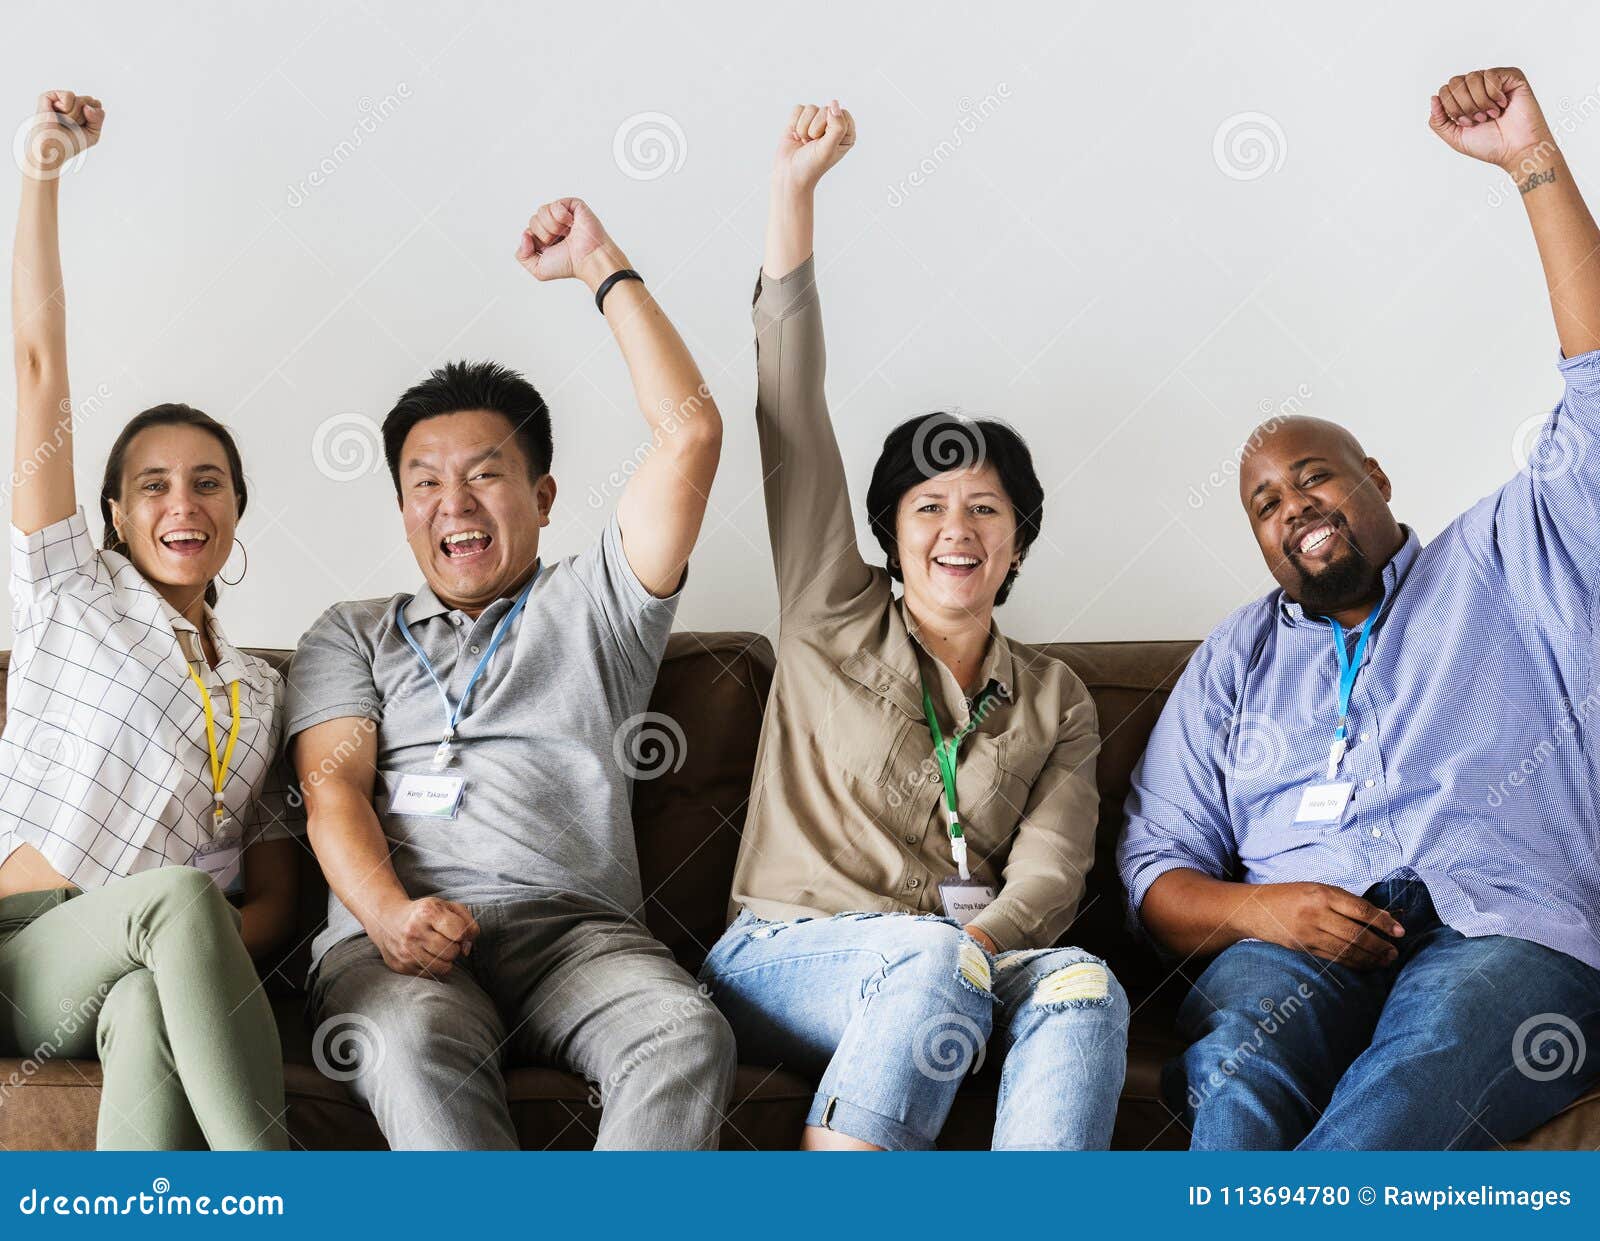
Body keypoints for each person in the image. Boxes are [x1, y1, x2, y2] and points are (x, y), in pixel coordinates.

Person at [1119, 66, 1600, 1150]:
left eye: (1316, 477)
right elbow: (1156, 868)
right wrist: (1261, 908)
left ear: (1374, 475)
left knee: (1397, 1104)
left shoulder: (1504, 557)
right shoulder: (1237, 655)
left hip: (1499, 931)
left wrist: (1532, 160)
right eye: (1267, 505)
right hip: (1288, 943)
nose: (1298, 509)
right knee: (1238, 1060)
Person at [699, 101, 1129, 1152]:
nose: (956, 528)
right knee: (929, 959)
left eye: (985, 508)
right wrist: (793, 195)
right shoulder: (825, 608)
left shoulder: (1053, 694)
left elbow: (1054, 865)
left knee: (1083, 978)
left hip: (961, 951)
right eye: (927, 505)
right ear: (888, 532)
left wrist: (977, 945)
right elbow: (788, 403)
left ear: (1018, 541)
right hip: (786, 952)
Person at [287, 196, 735, 1150]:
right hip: (396, 941)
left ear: (541, 495)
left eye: (485, 474)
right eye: (424, 483)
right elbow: (335, 792)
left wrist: (600, 265)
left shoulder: (599, 604)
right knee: (408, 1042)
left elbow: (691, 434)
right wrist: (391, 914)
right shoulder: (353, 633)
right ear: (403, 508)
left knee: (683, 1032)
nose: (455, 503)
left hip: (579, 936)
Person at [0, 91, 301, 1151]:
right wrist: (41, 171)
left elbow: (267, 887)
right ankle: (284, 1200)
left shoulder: (259, 686)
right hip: (26, 946)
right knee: (170, 897)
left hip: (140, 962)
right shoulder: (69, 593)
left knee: (147, 1012)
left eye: (210, 482)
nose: (185, 503)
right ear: (116, 514)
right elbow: (36, 364)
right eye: (156, 484)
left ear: (234, 512)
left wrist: (204, 945)